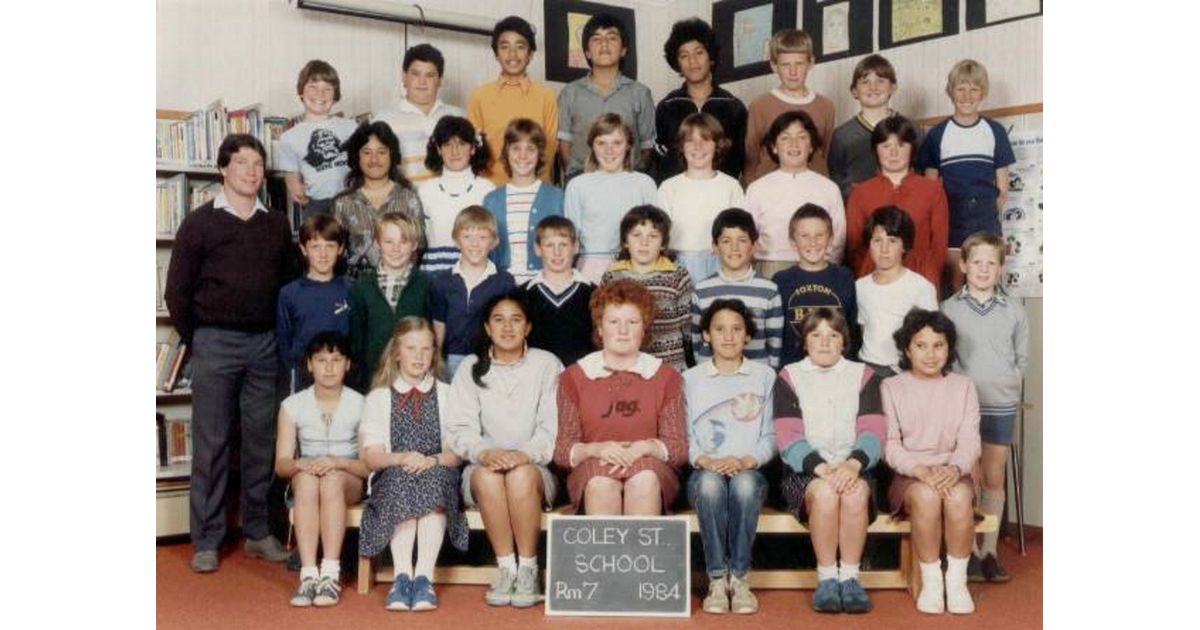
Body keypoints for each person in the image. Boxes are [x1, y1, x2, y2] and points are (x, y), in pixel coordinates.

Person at [165, 134, 294, 573]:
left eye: (258, 163)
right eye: (242, 163)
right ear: (224, 169)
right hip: (215, 344)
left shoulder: (276, 224)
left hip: (264, 345)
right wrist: (199, 339)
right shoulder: (200, 223)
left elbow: (290, 286)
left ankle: (258, 532)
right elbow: (176, 291)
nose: (252, 170)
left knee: (260, 442)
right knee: (212, 443)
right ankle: (206, 539)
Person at [444, 292, 563, 608]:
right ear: (486, 327)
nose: (507, 327)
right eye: (498, 319)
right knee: (487, 477)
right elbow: (459, 428)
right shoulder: (471, 367)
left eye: (516, 319)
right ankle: (505, 568)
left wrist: (524, 454)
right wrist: (483, 452)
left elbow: (553, 427)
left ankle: (527, 569)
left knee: (521, 476)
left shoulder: (547, 364)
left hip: (535, 468)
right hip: (484, 466)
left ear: (528, 327)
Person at [774, 308, 886, 614]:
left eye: (833, 335)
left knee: (855, 492)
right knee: (825, 493)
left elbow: (873, 430)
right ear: (805, 342)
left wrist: (852, 465)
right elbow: (787, 435)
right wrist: (822, 468)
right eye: (816, 335)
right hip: (805, 473)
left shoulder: (865, 376)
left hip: (855, 467)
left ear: (844, 341)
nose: (825, 343)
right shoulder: (789, 377)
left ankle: (849, 578)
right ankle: (826, 579)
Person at [358, 317, 467, 612]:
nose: (419, 356)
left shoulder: (446, 394)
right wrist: (403, 458)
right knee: (399, 480)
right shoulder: (379, 397)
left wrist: (430, 460)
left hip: (437, 468)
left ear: (434, 353)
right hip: (394, 471)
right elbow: (372, 456)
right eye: (411, 348)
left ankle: (424, 578)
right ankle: (402, 576)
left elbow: (455, 454)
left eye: (426, 349)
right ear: (396, 352)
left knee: (435, 480)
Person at [553, 279, 688, 515]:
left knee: (644, 479)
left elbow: (678, 448)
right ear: (600, 328)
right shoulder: (573, 377)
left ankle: (643, 554)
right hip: (594, 467)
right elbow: (563, 451)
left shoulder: (666, 377)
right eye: (614, 321)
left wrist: (645, 447)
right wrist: (596, 449)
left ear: (644, 328)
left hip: (651, 468)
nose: (623, 330)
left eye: (632, 322)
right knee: (601, 482)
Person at [939, 231, 1028, 583]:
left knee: (992, 476)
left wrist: (1004, 382)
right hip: (963, 406)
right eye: (976, 262)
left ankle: (989, 551)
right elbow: (943, 358)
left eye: (992, 263)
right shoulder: (948, 308)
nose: (983, 268)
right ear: (963, 265)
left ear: (1001, 268)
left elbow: (1023, 360)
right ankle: (968, 552)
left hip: (1000, 405)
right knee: (967, 475)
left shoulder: (1015, 311)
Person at [883, 309, 981, 615]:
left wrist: (953, 469)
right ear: (907, 349)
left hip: (954, 470)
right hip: (910, 475)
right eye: (921, 345)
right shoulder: (891, 387)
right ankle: (931, 582)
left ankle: (956, 581)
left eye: (938, 345)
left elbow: (969, 441)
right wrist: (920, 470)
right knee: (926, 497)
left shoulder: (964, 386)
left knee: (959, 496)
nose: (930, 353)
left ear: (949, 348)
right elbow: (890, 444)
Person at [684, 300, 775, 615]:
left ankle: (739, 577)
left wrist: (747, 460)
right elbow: (685, 437)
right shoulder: (690, 379)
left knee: (745, 487)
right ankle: (717, 579)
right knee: (709, 486)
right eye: (719, 329)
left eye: (737, 329)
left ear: (748, 335)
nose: (728, 337)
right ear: (706, 335)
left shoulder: (764, 377)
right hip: (704, 469)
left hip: (748, 468)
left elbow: (770, 436)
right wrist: (704, 460)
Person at [274, 332, 368, 607]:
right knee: (305, 481)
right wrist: (299, 464)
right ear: (309, 364)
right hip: (308, 479)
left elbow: (366, 466)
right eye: (321, 360)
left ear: (348, 364)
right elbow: (281, 464)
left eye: (336, 360)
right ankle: (308, 575)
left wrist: (336, 462)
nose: (329, 367)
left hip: (347, 478)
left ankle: (329, 573)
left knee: (330, 481)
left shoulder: (361, 403)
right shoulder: (292, 406)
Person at [916, 59, 1015, 293]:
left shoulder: (995, 131)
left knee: (985, 286)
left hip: (985, 223)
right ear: (951, 91)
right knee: (953, 287)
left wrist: (985, 216)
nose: (967, 95)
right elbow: (930, 190)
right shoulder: (937, 135)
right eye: (961, 88)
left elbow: (1002, 190)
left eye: (974, 89)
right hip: (951, 224)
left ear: (983, 93)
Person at [846, 115, 948, 288]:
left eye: (901, 145)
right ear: (875, 150)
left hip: (921, 276)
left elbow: (939, 244)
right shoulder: (860, 192)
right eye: (886, 146)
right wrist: (867, 273)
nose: (893, 153)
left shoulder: (933, 190)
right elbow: (854, 247)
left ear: (912, 149)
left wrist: (930, 276)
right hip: (874, 278)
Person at [556, 12, 657, 181]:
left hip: (628, 182)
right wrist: (578, 181)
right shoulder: (570, 93)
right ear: (587, 52)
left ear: (624, 50)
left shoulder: (640, 93)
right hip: (582, 180)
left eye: (611, 38)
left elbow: (646, 147)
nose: (604, 44)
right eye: (596, 39)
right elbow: (564, 145)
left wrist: (632, 177)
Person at [746, 110, 846, 279]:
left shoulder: (829, 188)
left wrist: (826, 270)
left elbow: (838, 238)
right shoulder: (757, 188)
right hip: (768, 268)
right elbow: (747, 236)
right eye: (785, 138)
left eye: (802, 137)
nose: (794, 144)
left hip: (817, 267)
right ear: (774, 147)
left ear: (811, 145)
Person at [563, 114, 658, 282]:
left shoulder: (644, 183)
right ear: (592, 146)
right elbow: (571, 237)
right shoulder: (578, 185)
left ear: (628, 145)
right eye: (601, 143)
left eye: (617, 143)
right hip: (591, 269)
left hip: (637, 267)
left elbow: (656, 232)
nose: (609, 150)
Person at [468, 16, 559, 186]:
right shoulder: (479, 96)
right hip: (491, 190)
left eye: (520, 46)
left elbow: (549, 149)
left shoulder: (546, 96)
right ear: (496, 53)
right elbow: (474, 150)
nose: (512, 54)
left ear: (530, 54)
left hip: (536, 189)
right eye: (505, 47)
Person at [653, 17, 748, 181]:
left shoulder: (733, 106)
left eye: (699, 52)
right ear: (677, 63)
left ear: (710, 57)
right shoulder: (667, 106)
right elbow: (660, 158)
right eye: (684, 55)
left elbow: (742, 156)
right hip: (678, 195)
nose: (692, 61)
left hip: (722, 194)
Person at [601, 205, 693, 372]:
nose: (644, 243)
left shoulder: (677, 275)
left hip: (669, 365)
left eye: (653, 236)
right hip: (625, 366)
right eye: (636, 235)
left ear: (663, 243)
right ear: (625, 242)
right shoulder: (612, 277)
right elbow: (604, 323)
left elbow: (687, 327)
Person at [430, 205, 516, 380]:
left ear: (494, 242)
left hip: (491, 360)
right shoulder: (442, 282)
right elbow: (439, 326)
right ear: (456, 240)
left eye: (483, 237)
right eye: (467, 237)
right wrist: (436, 362)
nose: (475, 244)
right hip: (451, 361)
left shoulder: (504, 282)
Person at [656, 113, 746, 281]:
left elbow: (740, 231)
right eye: (690, 141)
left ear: (717, 145)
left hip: (722, 263)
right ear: (682, 146)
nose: (698, 147)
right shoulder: (668, 187)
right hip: (677, 264)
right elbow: (660, 233)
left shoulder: (731, 186)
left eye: (705, 140)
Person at [348, 212, 431, 392]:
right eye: (388, 242)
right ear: (377, 244)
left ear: (415, 245)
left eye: (403, 241)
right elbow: (356, 342)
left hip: (416, 381)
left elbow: (433, 337)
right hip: (373, 380)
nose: (396, 248)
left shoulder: (426, 285)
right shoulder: (362, 288)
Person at [691, 208, 783, 369]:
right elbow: (697, 339)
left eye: (742, 240)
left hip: (755, 377)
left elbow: (775, 341)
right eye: (726, 241)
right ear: (715, 246)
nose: (734, 248)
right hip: (711, 377)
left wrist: (770, 374)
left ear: (754, 245)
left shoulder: (769, 290)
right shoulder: (701, 290)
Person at [334, 121, 426, 281]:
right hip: (356, 291)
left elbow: (419, 248)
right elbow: (336, 254)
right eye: (367, 152)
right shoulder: (343, 203)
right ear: (357, 157)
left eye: (381, 152)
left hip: (400, 287)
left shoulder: (408, 198)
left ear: (392, 155)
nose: (374, 159)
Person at [744, 30, 836, 184]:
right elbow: (751, 154)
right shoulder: (760, 105)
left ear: (810, 63)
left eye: (799, 64)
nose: (793, 72)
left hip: (814, 188)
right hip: (771, 189)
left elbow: (824, 152)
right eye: (785, 65)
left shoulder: (826, 106)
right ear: (774, 66)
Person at [855, 206, 938, 374]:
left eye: (892, 241)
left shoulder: (921, 287)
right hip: (868, 366)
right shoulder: (860, 286)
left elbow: (931, 336)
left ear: (905, 246)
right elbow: (864, 329)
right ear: (869, 244)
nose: (884, 249)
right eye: (877, 241)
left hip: (904, 369)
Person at [772, 204, 857, 367]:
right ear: (792, 242)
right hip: (794, 368)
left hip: (836, 368)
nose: (813, 242)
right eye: (804, 235)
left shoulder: (844, 277)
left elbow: (851, 329)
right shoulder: (781, 280)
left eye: (819, 235)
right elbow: (777, 334)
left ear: (830, 239)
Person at [277, 215, 353, 394]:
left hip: (341, 378)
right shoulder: (289, 294)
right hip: (302, 379)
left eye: (330, 246)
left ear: (340, 249)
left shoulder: (351, 291)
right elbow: (284, 346)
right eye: (315, 247)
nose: (323, 254)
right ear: (303, 249)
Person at [482, 118, 565, 284]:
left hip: (545, 283)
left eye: (530, 149)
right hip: (502, 284)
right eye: (516, 148)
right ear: (506, 152)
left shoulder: (556, 196)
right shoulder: (491, 199)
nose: (523, 156)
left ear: (540, 154)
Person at [277, 60, 359, 219]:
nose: (320, 95)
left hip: (353, 202)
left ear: (335, 95)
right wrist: (309, 201)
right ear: (301, 91)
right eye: (312, 87)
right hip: (318, 205)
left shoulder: (351, 127)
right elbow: (293, 181)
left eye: (327, 89)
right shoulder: (289, 137)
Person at [374, 44, 465, 183]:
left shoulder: (459, 117)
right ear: (404, 77)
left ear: (440, 80)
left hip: (452, 202)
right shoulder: (383, 121)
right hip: (403, 203)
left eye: (430, 75)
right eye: (415, 74)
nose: (422, 82)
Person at [417, 116, 496, 274]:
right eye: (447, 145)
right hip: (434, 275)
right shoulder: (425, 190)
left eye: (461, 144)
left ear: (473, 148)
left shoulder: (487, 189)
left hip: (476, 272)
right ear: (438, 150)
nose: (455, 151)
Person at [518, 216, 596, 367]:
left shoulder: (593, 293)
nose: (557, 252)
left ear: (575, 247)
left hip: (580, 380)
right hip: (537, 379)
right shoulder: (522, 295)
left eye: (563, 245)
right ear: (538, 249)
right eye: (549, 245)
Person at [828, 54, 904, 199]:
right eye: (865, 82)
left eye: (881, 81)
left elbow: (919, 178)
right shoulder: (841, 135)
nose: (873, 87)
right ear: (854, 91)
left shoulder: (909, 128)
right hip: (858, 213)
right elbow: (836, 182)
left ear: (893, 87)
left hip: (902, 211)